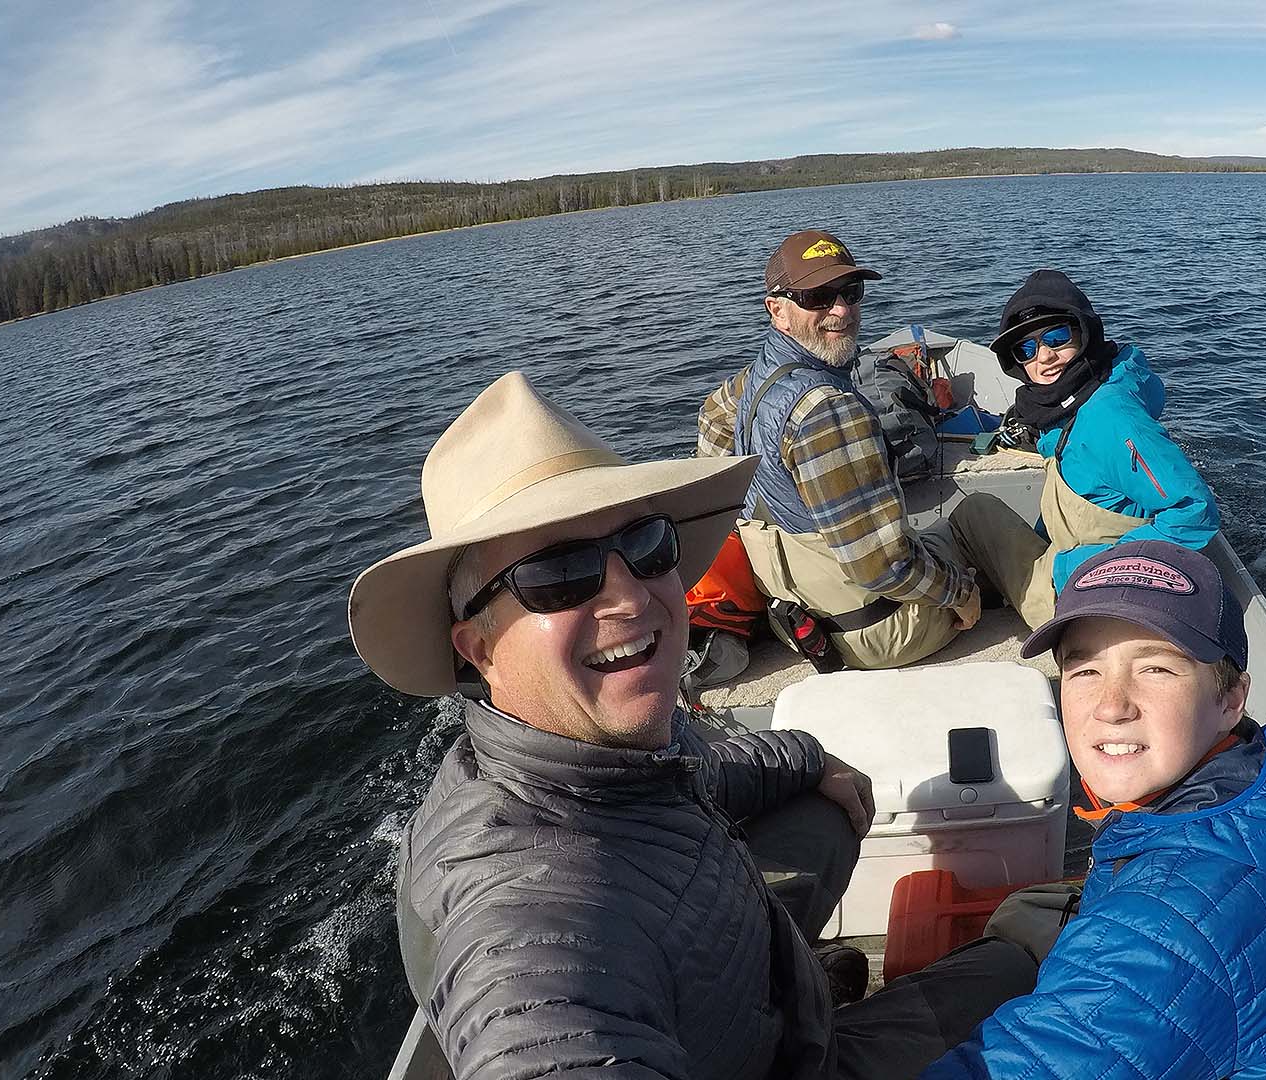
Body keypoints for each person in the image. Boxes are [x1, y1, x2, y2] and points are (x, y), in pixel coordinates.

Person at [349, 371, 1035, 1079]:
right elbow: (536, 1020)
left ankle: (800, 982)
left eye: (644, 546)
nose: (628, 595)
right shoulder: (522, 923)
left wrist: (809, 758)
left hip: (739, 999)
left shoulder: (588, 747)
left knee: (821, 807)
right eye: (557, 574)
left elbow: (695, 770)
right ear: (480, 648)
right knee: (1030, 968)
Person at [922, 540, 1266, 1080]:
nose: (1111, 705)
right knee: (1024, 914)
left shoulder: (1169, 929)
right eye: (1083, 670)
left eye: (1156, 669)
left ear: (1230, 700)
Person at [695, 229, 983, 669]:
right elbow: (882, 567)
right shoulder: (830, 413)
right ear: (778, 311)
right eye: (817, 298)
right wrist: (960, 594)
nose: (842, 310)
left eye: (851, 291)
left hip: (795, 622)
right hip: (874, 632)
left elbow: (711, 435)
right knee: (981, 518)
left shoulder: (749, 383)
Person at [951, 270, 1220, 629]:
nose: (1043, 357)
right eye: (1026, 349)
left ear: (1085, 333)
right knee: (982, 514)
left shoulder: (1108, 417)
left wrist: (1077, 566)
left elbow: (1195, 512)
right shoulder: (1067, 404)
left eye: (1057, 337)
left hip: (1087, 593)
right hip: (1078, 567)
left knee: (971, 513)